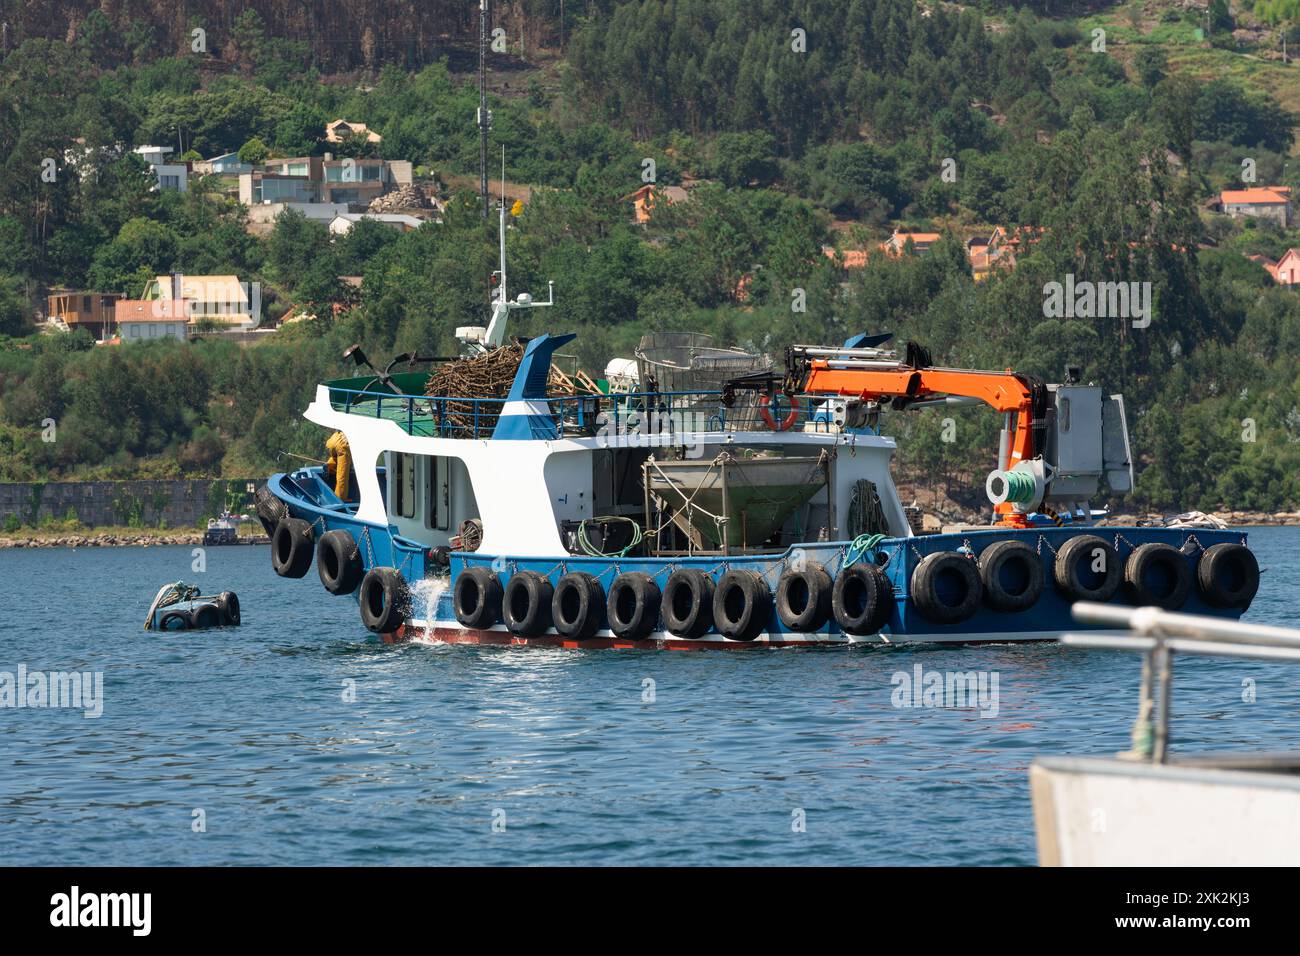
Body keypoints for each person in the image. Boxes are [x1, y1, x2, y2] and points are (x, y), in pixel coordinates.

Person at [324, 431, 352, 500]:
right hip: (343, 444)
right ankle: (340, 498)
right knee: (343, 475)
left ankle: (329, 466)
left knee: (338, 459)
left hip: (333, 438)